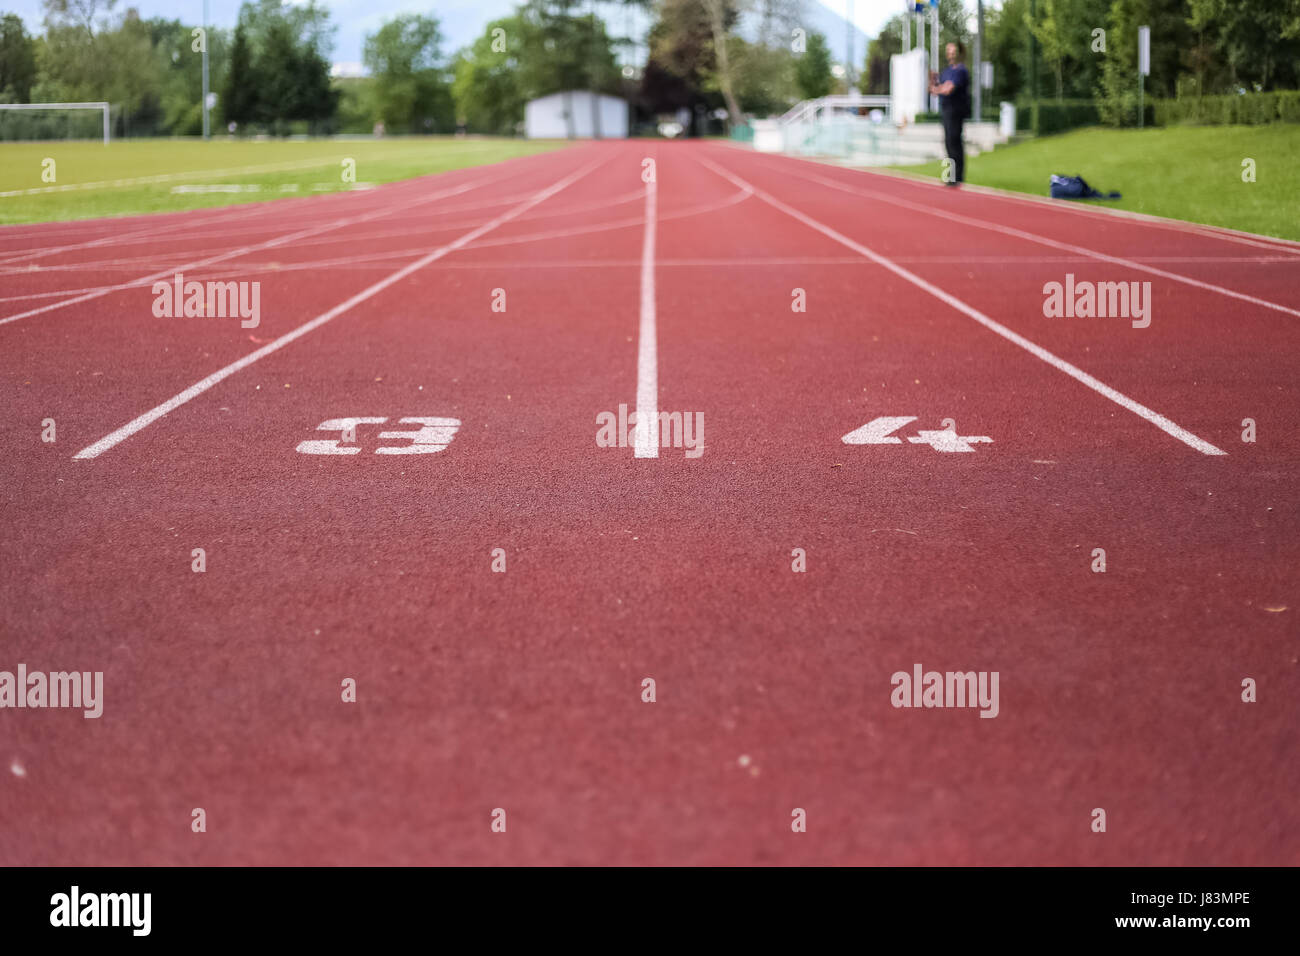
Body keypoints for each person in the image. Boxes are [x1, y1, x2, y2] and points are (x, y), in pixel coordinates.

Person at [929, 41, 971, 186]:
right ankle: (950, 176)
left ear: (958, 53)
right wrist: (932, 80)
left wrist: (939, 88)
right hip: (946, 110)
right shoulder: (946, 71)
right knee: (948, 143)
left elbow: (948, 89)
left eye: (953, 51)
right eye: (948, 50)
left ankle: (957, 177)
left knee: (954, 142)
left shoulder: (960, 71)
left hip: (956, 111)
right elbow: (935, 90)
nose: (950, 53)